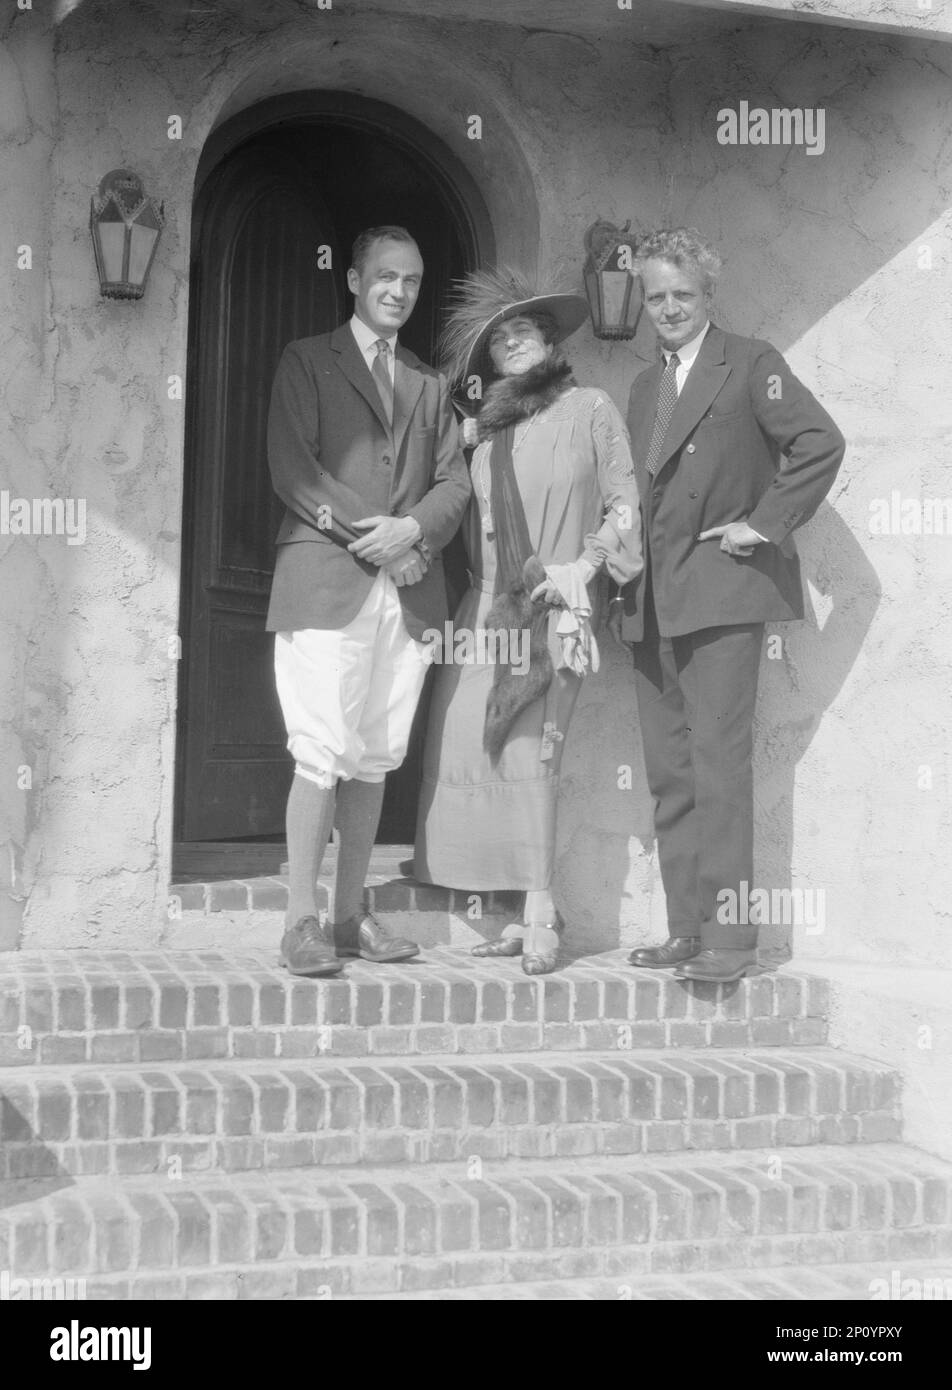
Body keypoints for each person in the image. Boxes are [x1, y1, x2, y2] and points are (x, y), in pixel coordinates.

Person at [620, 227, 845, 983]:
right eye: (657, 296)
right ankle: (686, 929)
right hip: (650, 601)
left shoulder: (751, 363)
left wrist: (764, 523)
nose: (670, 308)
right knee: (671, 772)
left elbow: (819, 442)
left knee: (719, 768)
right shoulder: (643, 387)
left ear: (709, 296)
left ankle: (728, 942)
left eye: (683, 294)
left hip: (720, 596)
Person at [413, 268, 643, 974]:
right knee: (473, 747)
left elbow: (625, 502)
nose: (512, 343)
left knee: (538, 751)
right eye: (501, 339)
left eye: (524, 332)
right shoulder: (486, 435)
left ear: (549, 341)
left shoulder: (592, 409)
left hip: (557, 607)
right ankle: (517, 905)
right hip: (488, 610)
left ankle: (543, 914)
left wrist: (588, 570)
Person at [266, 226, 470, 976]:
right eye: (385, 276)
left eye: (411, 281)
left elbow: (456, 482)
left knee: (377, 754)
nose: (398, 291)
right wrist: (374, 536)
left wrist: (414, 531)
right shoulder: (306, 361)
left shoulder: (428, 381)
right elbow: (294, 468)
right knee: (321, 749)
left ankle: (351, 916)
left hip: (408, 592)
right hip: (327, 580)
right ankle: (300, 922)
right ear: (353, 280)